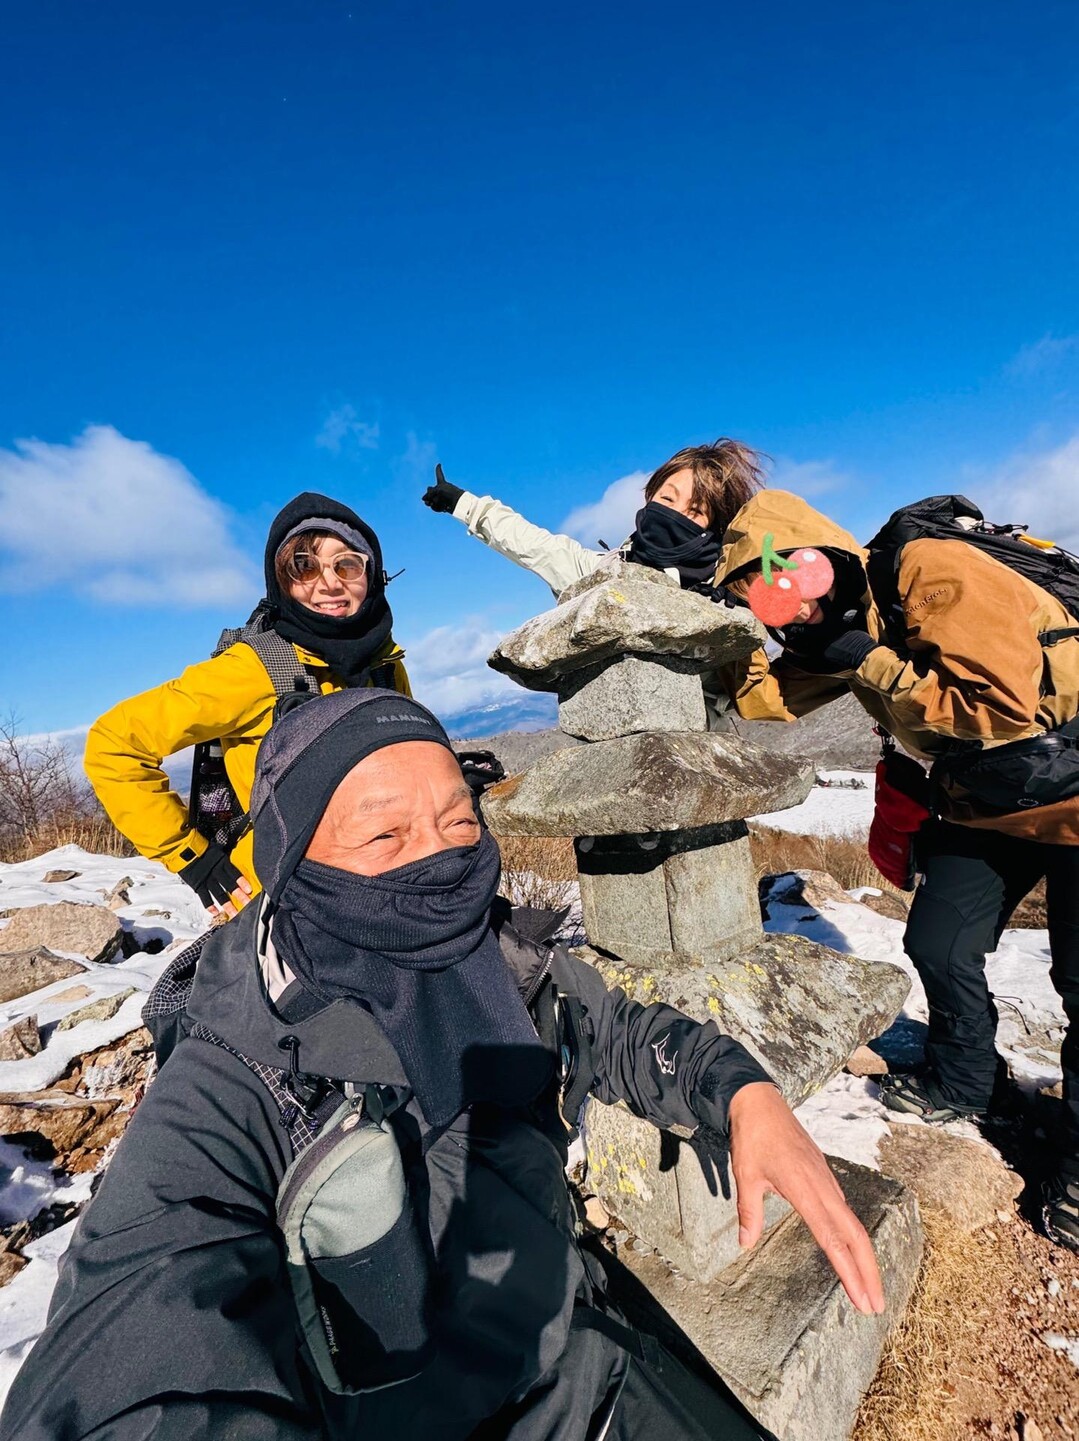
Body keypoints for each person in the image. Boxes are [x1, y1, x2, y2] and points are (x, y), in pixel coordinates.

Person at [4, 689, 885, 1441]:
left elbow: (615, 1026)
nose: (439, 858)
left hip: (577, 1335)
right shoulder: (238, 1064)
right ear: (291, 859)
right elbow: (128, 1338)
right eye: (383, 837)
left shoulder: (500, 958)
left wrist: (741, 1092)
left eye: (459, 820)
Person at [715, 488, 1079, 1251]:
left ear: (824, 551)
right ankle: (965, 1080)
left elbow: (1003, 710)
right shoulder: (841, 628)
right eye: (768, 599)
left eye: (794, 578)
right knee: (939, 940)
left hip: (1069, 785)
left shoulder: (924, 568)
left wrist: (869, 663)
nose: (798, 610)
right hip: (989, 802)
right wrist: (721, 632)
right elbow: (765, 702)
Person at [84, 492, 410, 918]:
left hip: (388, 885)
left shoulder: (383, 662)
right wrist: (193, 857)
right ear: (281, 582)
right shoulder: (256, 668)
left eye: (347, 564)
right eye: (304, 566)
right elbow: (113, 745)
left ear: (374, 576)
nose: (329, 583)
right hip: (284, 904)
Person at [423, 440, 766, 728]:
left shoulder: (729, 593)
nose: (675, 514)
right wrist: (464, 504)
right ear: (649, 498)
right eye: (667, 498)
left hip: (702, 757)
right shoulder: (604, 575)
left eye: (695, 511)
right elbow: (536, 546)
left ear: (715, 528)